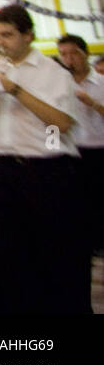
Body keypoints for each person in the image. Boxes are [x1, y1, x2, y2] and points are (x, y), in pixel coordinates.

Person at [0, 5, 89, 314]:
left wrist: (14, 89)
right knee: (7, 259)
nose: (2, 42)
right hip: (3, 170)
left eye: (9, 35)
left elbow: (60, 124)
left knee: (55, 258)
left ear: (29, 35)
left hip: (46, 170)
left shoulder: (52, 72)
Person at [56, 34, 104, 254]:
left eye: (74, 53)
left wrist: (93, 103)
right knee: (77, 200)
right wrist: (52, 147)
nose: (69, 59)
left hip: (99, 149)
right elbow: (51, 119)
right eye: (64, 54)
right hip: (71, 150)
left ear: (85, 53)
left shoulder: (101, 82)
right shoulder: (58, 84)